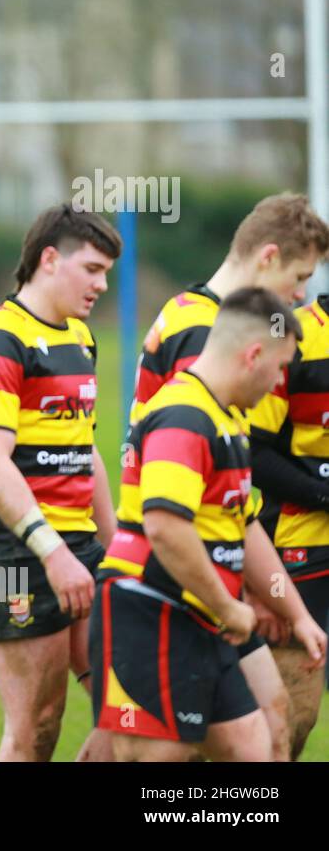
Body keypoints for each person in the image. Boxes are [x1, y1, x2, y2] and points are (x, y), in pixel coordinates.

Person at [128, 191, 329, 759]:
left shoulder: (202, 317)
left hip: (204, 564)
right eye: (298, 278)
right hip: (174, 578)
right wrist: (238, 595)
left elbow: (233, 497)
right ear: (267, 258)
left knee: (266, 729)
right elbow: (183, 501)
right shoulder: (206, 336)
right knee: (174, 750)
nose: (300, 297)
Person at [0, 202, 121, 761]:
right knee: (37, 726)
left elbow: (85, 449)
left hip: (80, 547)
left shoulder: (79, 337)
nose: (101, 285)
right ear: (50, 259)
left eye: (106, 274)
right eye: (93, 270)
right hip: (12, 550)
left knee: (132, 711)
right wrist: (51, 551)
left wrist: (118, 545)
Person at [248, 288, 329, 758]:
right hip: (304, 548)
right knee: (290, 720)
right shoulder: (293, 336)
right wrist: (321, 493)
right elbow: (253, 451)